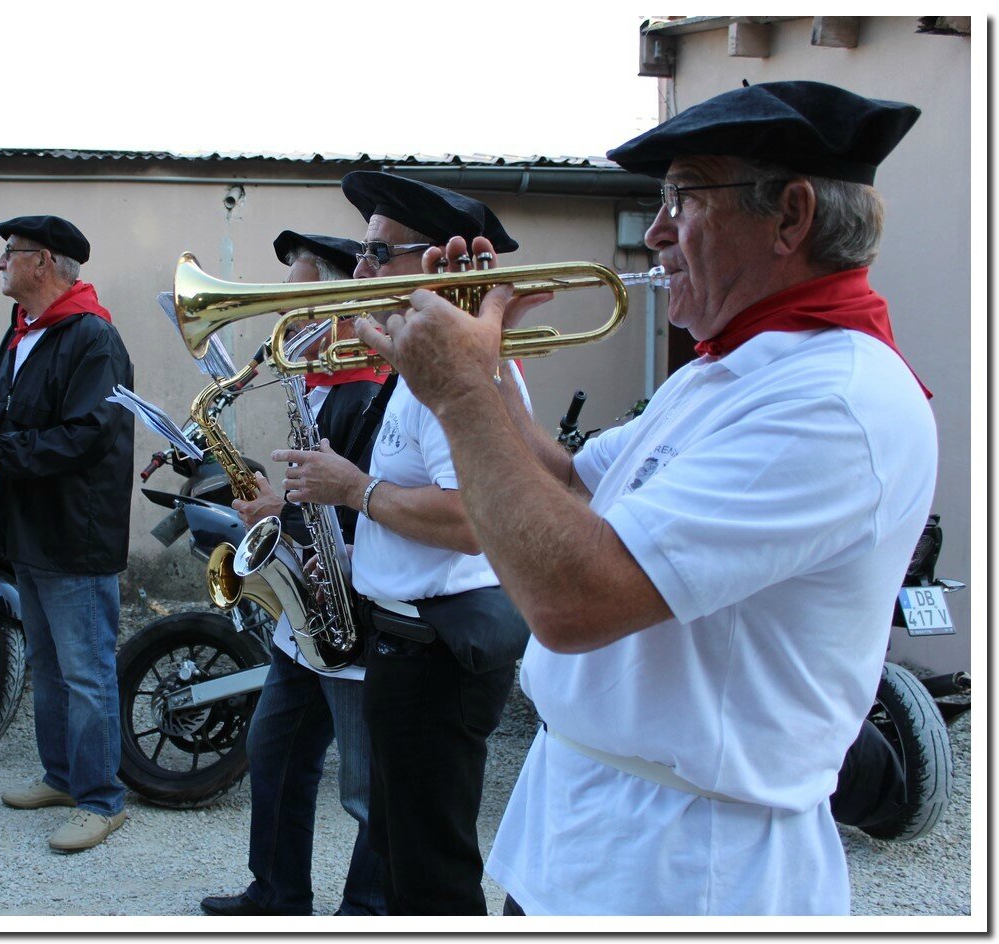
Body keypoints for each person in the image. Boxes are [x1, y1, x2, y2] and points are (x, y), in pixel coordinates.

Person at [357, 81, 933, 915]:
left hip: (688, 864)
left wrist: (459, 393)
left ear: (792, 216)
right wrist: (483, 363)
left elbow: (571, 597)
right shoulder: (723, 372)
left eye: (684, 195)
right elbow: (560, 483)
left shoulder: (834, 400)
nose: (657, 230)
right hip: (588, 822)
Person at [274, 172, 529, 915]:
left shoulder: (453, 373)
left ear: (439, 264)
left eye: (379, 255)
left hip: (439, 652)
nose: (360, 272)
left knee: (431, 870)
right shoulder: (416, 368)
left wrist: (353, 491)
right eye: (361, 254)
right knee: (397, 848)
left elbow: (471, 516)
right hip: (405, 645)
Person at [201, 231, 387, 916]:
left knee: (369, 788)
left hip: (357, 615)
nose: (285, 319)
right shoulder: (317, 386)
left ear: (338, 299)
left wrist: (283, 506)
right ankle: (276, 894)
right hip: (307, 610)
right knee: (275, 748)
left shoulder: (372, 391)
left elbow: (378, 505)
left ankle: (367, 912)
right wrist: (274, 505)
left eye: (298, 300)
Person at [0, 215, 134, 853]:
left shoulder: (93, 339)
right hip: (30, 531)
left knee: (86, 672)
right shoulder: (24, 332)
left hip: (75, 537)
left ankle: (102, 801)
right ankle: (62, 777)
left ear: (42, 262)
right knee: (47, 668)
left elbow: (85, 437)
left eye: (9, 254)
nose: (0, 264)